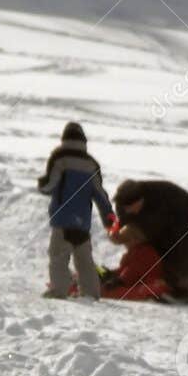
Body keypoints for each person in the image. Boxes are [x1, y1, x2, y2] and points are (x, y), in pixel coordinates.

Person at [37, 122, 114, 301]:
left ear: (64, 139)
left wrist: (42, 184)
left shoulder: (59, 158)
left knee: (58, 256)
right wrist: (108, 216)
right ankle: (91, 293)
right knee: (85, 260)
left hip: (63, 220)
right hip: (83, 223)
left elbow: (50, 185)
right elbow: (100, 194)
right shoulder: (91, 164)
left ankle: (59, 290)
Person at [111, 179, 188, 300]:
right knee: (153, 262)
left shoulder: (160, 203)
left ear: (141, 200)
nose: (128, 211)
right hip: (164, 231)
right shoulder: (124, 206)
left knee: (173, 272)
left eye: (132, 207)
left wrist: (180, 281)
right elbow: (126, 228)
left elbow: (179, 245)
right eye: (125, 207)